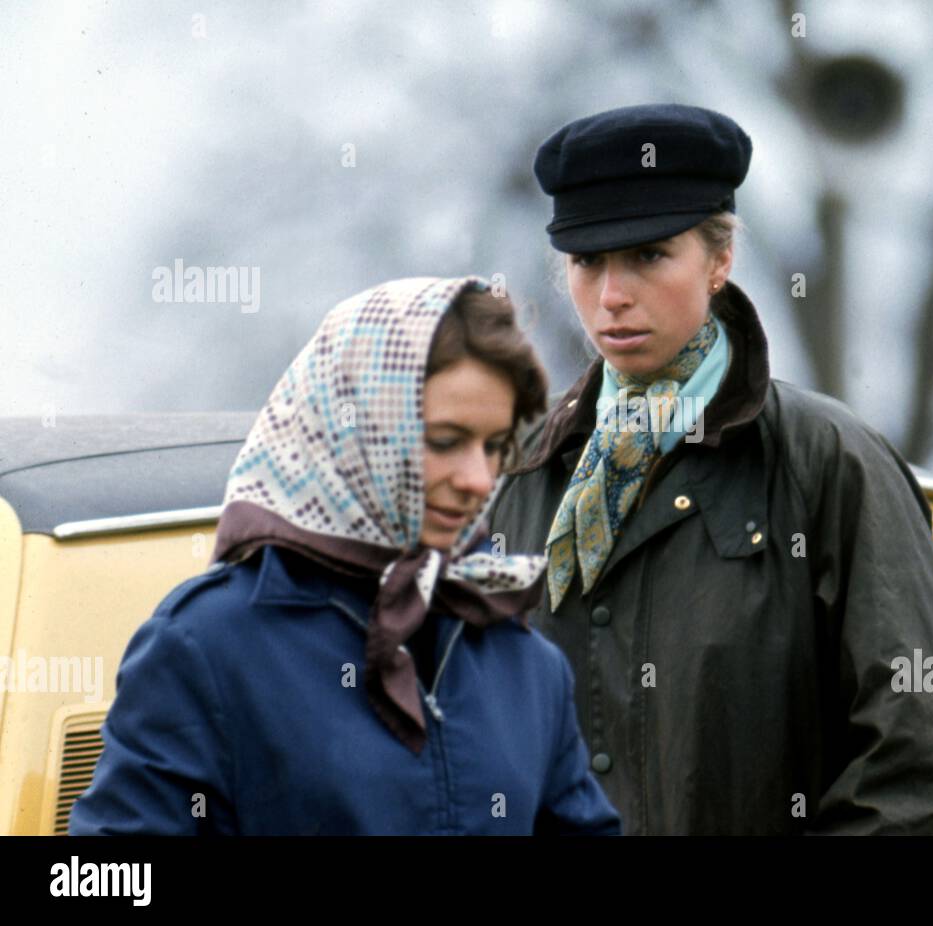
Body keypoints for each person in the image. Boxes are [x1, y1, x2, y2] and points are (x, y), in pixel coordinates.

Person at [489, 103, 933, 835]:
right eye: (587, 262)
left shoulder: (826, 458)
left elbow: (929, 751)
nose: (611, 296)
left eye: (649, 256)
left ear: (720, 260)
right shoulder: (518, 471)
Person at [69, 277, 621, 835]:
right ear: (354, 428)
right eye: (445, 441)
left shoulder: (521, 658)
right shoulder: (206, 645)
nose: (479, 479)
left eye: (494, 446)